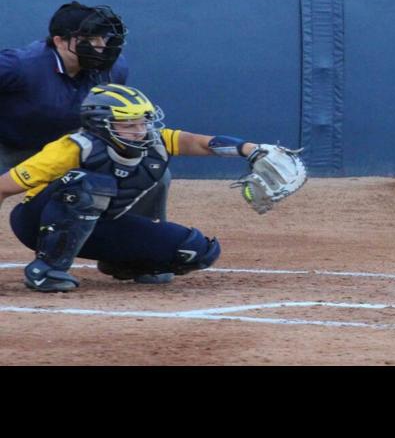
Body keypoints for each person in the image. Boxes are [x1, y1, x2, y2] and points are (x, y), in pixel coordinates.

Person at [0, 84, 290, 292]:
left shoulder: (155, 142)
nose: (140, 131)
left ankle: (123, 263)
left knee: (196, 250)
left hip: (100, 225)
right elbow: (3, 187)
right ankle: (47, 269)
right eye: (128, 124)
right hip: (35, 223)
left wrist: (252, 150)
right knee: (89, 184)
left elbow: (202, 142)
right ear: (100, 124)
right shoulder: (74, 147)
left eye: (143, 122)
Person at [0, 2, 130, 172]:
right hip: (8, 145)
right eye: (90, 39)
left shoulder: (114, 69)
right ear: (59, 41)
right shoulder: (20, 65)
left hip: (66, 147)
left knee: (144, 173)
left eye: (103, 38)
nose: (101, 47)